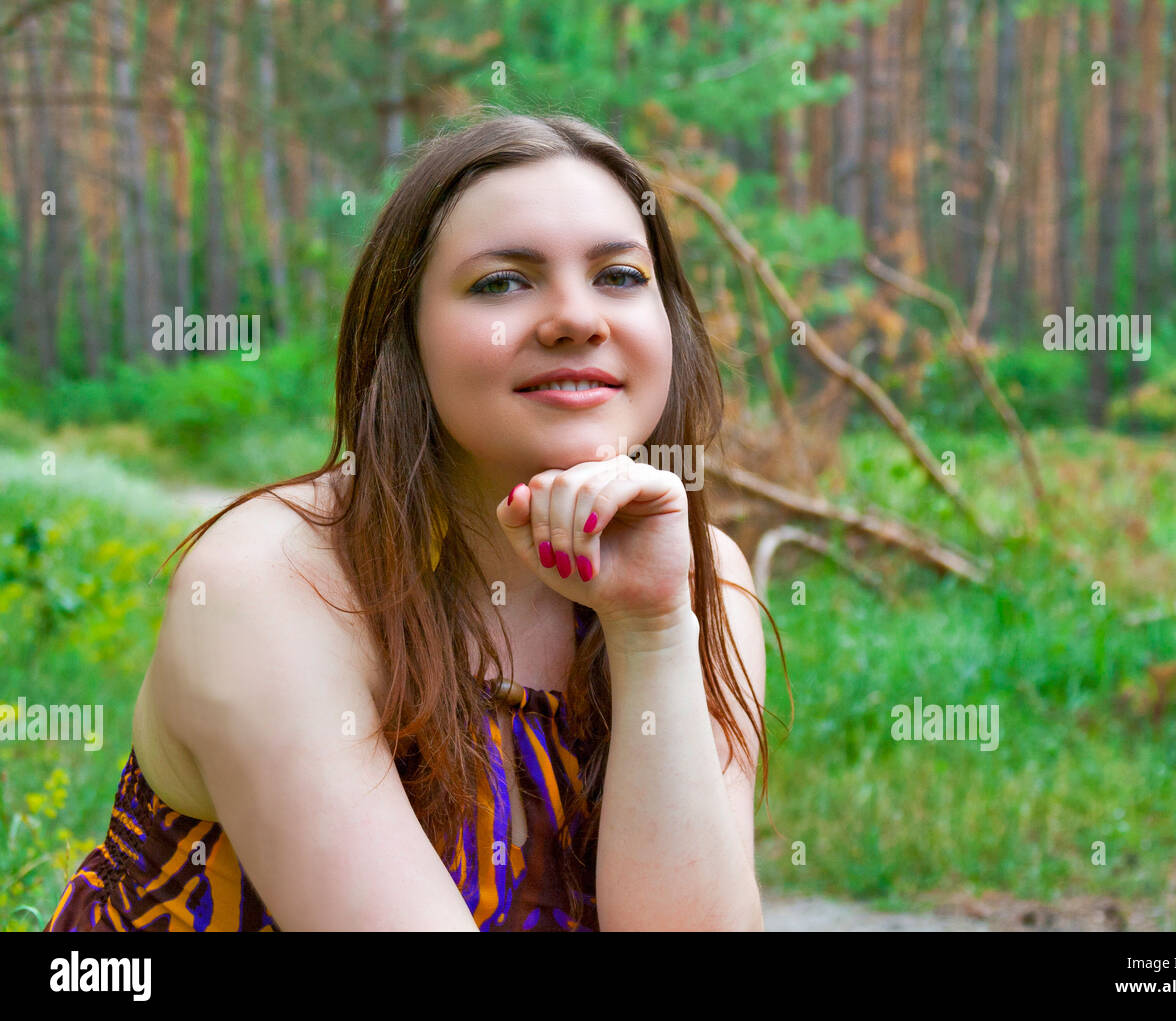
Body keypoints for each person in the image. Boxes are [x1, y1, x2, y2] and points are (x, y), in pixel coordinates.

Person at [44, 108, 786, 932]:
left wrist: (649, 630)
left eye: (619, 275)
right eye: (502, 280)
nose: (579, 317)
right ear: (405, 339)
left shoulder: (700, 575)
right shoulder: (273, 584)